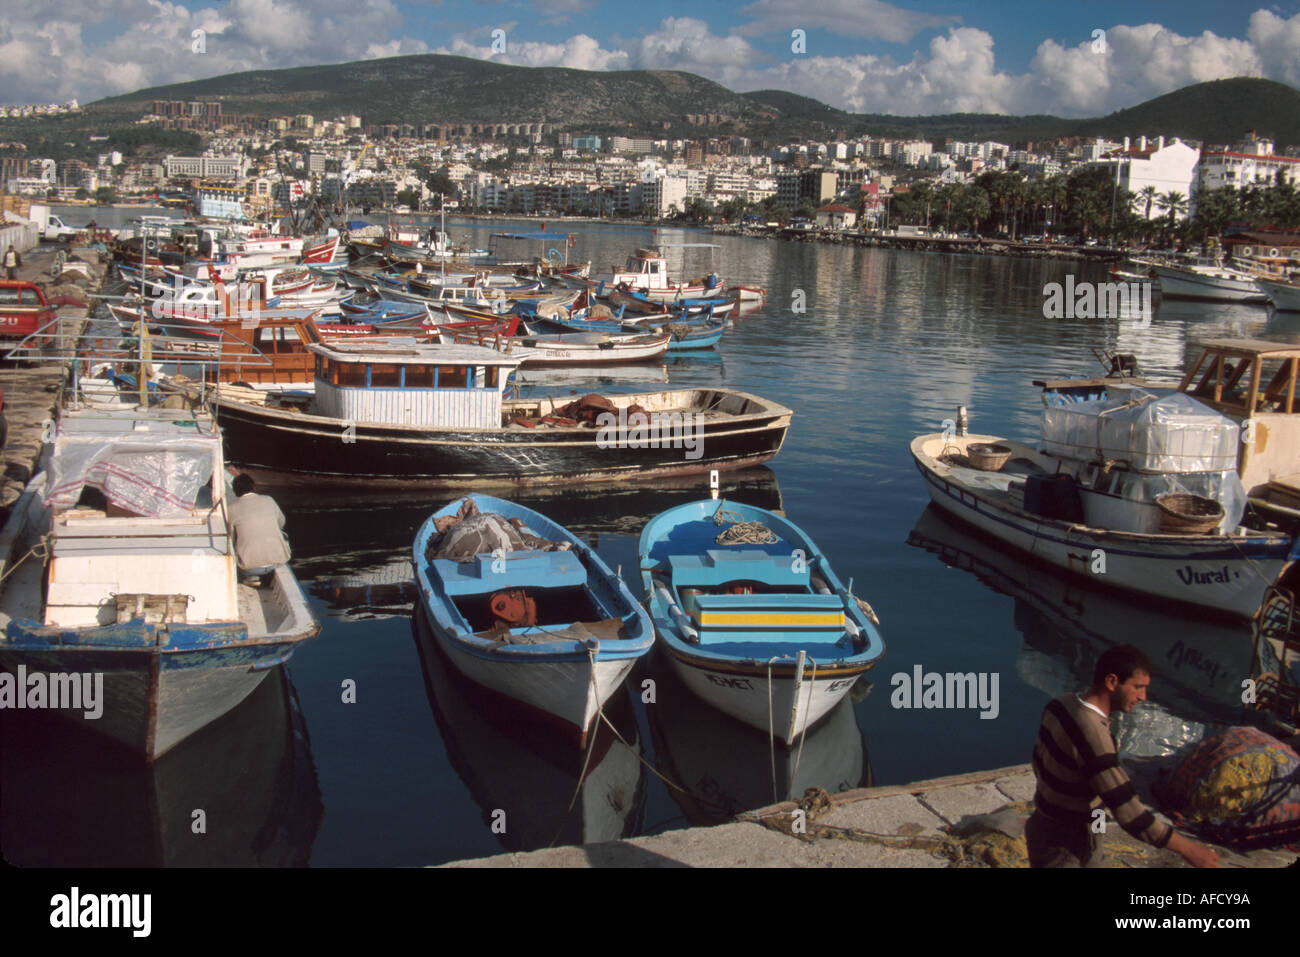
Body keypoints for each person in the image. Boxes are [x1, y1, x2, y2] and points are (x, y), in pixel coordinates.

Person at [1026, 644, 1218, 868]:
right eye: (1138, 687)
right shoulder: (1093, 735)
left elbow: (1038, 763)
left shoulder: (1059, 706)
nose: (1143, 697)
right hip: (1066, 845)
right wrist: (1190, 850)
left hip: (1043, 826)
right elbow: (1128, 812)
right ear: (1111, 682)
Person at [226, 473, 291, 583]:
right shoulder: (269, 500)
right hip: (277, 562)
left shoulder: (230, 509)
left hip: (250, 568)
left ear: (235, 491)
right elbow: (282, 523)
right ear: (254, 487)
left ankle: (248, 578)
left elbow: (230, 538)